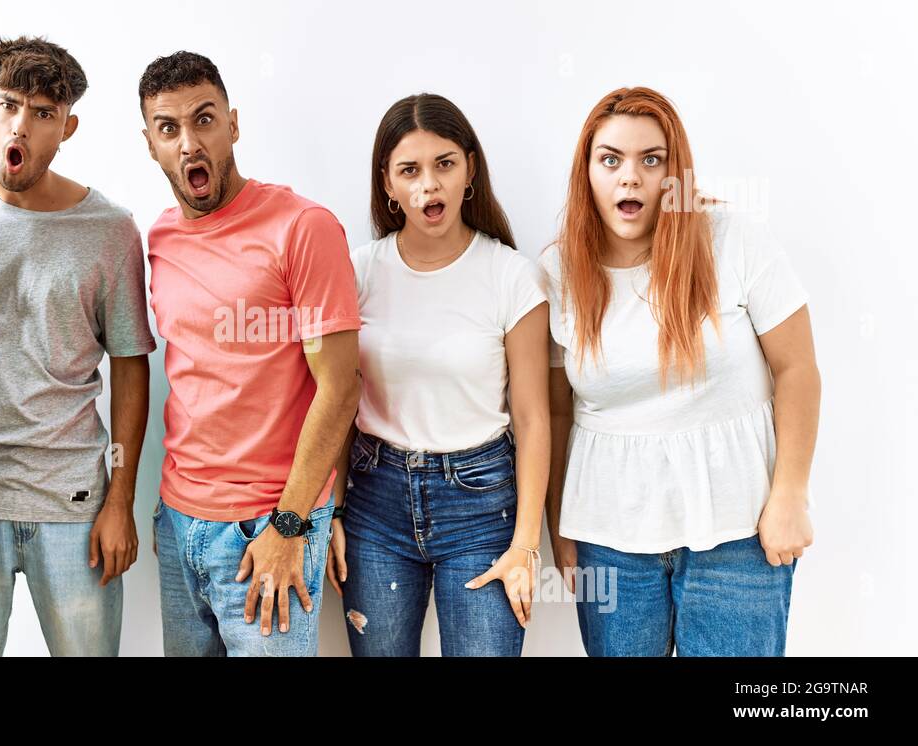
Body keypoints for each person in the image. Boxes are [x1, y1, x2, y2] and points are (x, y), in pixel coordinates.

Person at [542, 87, 820, 656]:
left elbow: (798, 369)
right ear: (586, 172)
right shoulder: (557, 272)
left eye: (652, 159)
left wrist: (790, 494)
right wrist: (558, 525)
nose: (630, 178)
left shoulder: (733, 239)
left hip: (739, 533)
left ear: (676, 172)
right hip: (609, 538)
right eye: (610, 159)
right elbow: (554, 410)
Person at [0, 36, 154, 656]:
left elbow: (130, 368)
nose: (22, 125)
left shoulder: (110, 229)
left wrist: (119, 497)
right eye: (10, 104)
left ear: (67, 126)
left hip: (72, 501)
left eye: (43, 113)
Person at [140, 51, 361, 656]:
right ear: (150, 144)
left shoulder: (303, 227)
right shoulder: (158, 239)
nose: (189, 143)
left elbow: (341, 388)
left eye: (204, 119)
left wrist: (291, 525)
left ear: (233, 124)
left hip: (270, 524)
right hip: (180, 520)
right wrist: (174, 517)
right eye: (169, 128)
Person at [332, 93, 550, 656]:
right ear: (387, 182)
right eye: (410, 170)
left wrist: (527, 542)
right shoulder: (357, 271)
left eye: (444, 164)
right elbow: (334, 399)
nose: (429, 186)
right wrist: (329, 508)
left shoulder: (512, 276)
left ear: (469, 169)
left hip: (481, 508)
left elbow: (531, 417)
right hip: (375, 503)